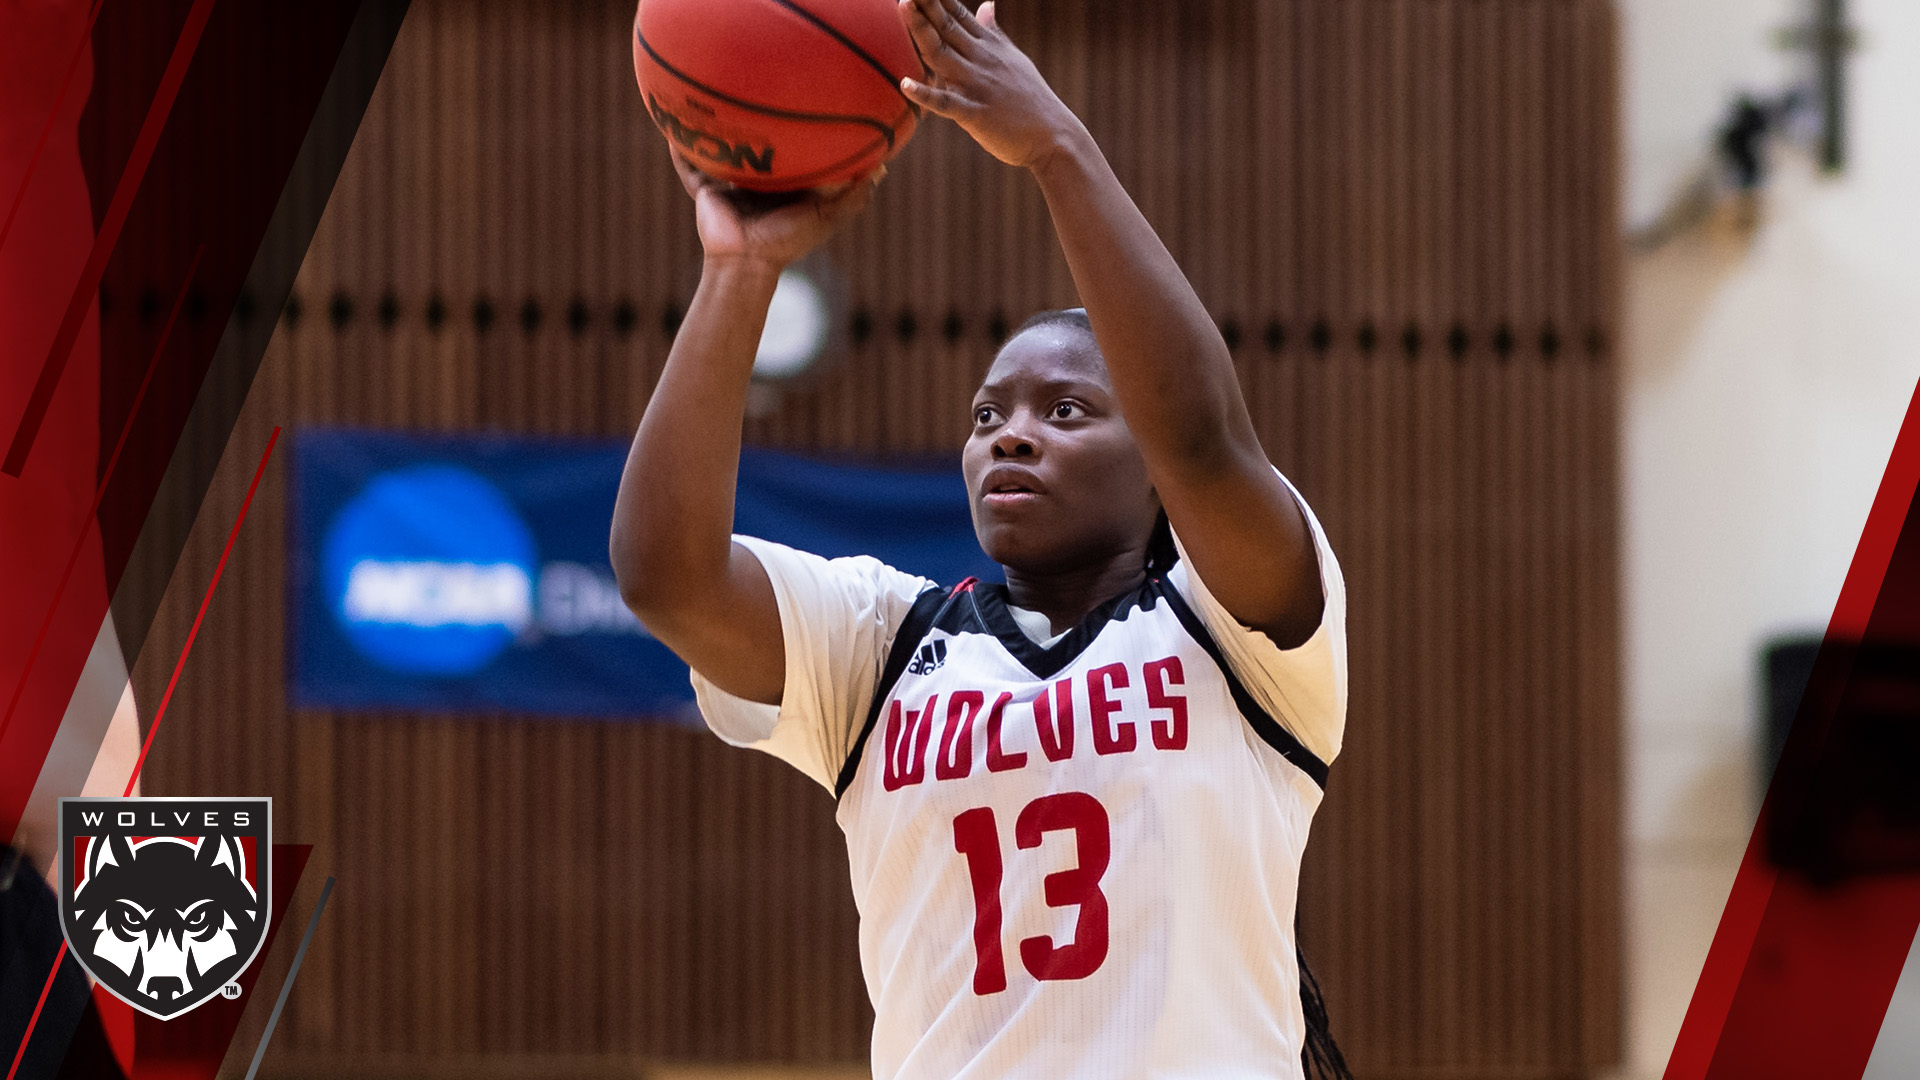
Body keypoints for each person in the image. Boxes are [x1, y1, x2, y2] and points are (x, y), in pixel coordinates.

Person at [612, 1, 1352, 1076]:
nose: (1010, 434)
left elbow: (1200, 437)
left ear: (1151, 467)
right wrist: (739, 270)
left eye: (1066, 410)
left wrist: (1057, 147)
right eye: (987, 415)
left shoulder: (1238, 639)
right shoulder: (882, 646)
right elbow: (664, 577)